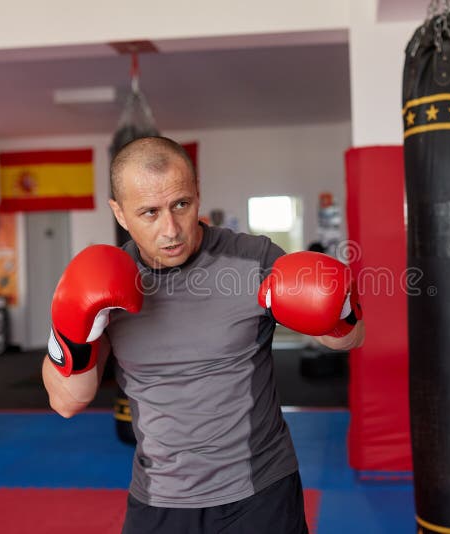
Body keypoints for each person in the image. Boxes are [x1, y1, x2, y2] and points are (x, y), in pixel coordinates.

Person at [42, 136, 365, 534]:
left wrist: (337, 306)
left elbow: (350, 338)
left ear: (197, 192)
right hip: (160, 499)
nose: (171, 229)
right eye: (149, 212)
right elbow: (67, 401)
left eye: (181, 204)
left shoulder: (253, 258)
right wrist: (73, 332)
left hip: (261, 492)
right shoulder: (106, 281)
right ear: (120, 213)